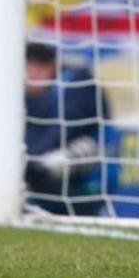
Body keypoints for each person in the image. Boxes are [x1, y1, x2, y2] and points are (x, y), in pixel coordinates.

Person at [24, 43, 109, 217]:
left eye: (42, 65)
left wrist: (33, 161)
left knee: (71, 152)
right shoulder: (20, 96)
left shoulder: (76, 84)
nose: (34, 72)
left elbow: (66, 129)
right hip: (36, 169)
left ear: (54, 66)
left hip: (81, 170)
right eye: (30, 65)